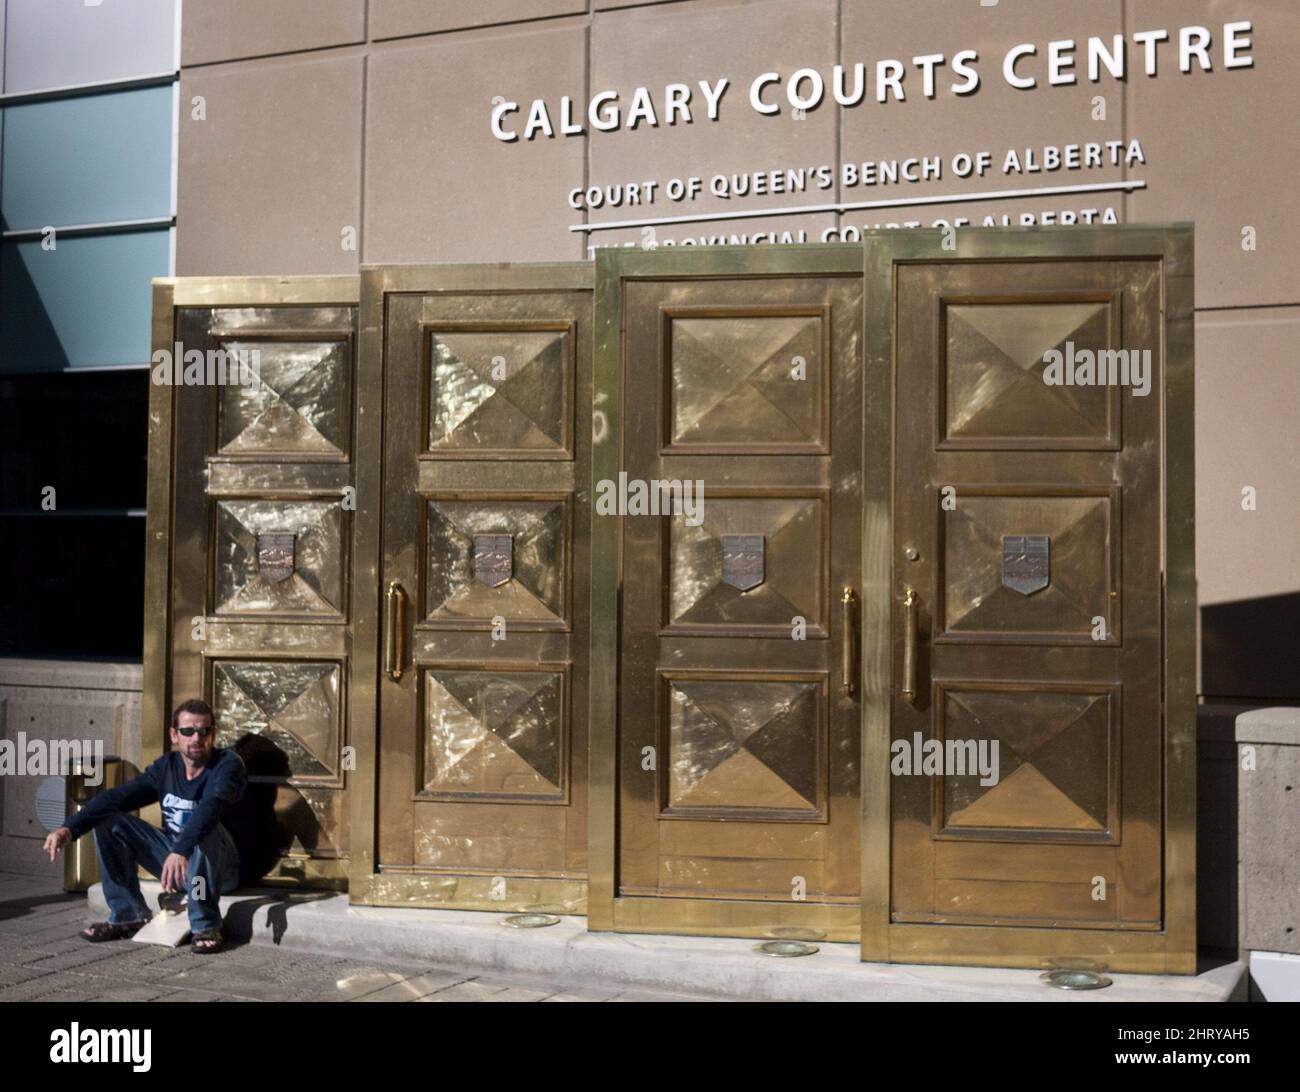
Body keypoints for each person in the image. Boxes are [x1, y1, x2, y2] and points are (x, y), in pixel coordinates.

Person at [43, 698, 247, 954]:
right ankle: (128, 915)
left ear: (213, 734)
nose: (196, 738)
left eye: (204, 731)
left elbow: (211, 807)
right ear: (174, 735)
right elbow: (118, 797)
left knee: (206, 830)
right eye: (188, 731)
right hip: (177, 860)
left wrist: (180, 850)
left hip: (218, 869)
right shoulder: (167, 767)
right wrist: (69, 828)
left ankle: (205, 924)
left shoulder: (227, 765)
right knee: (109, 821)